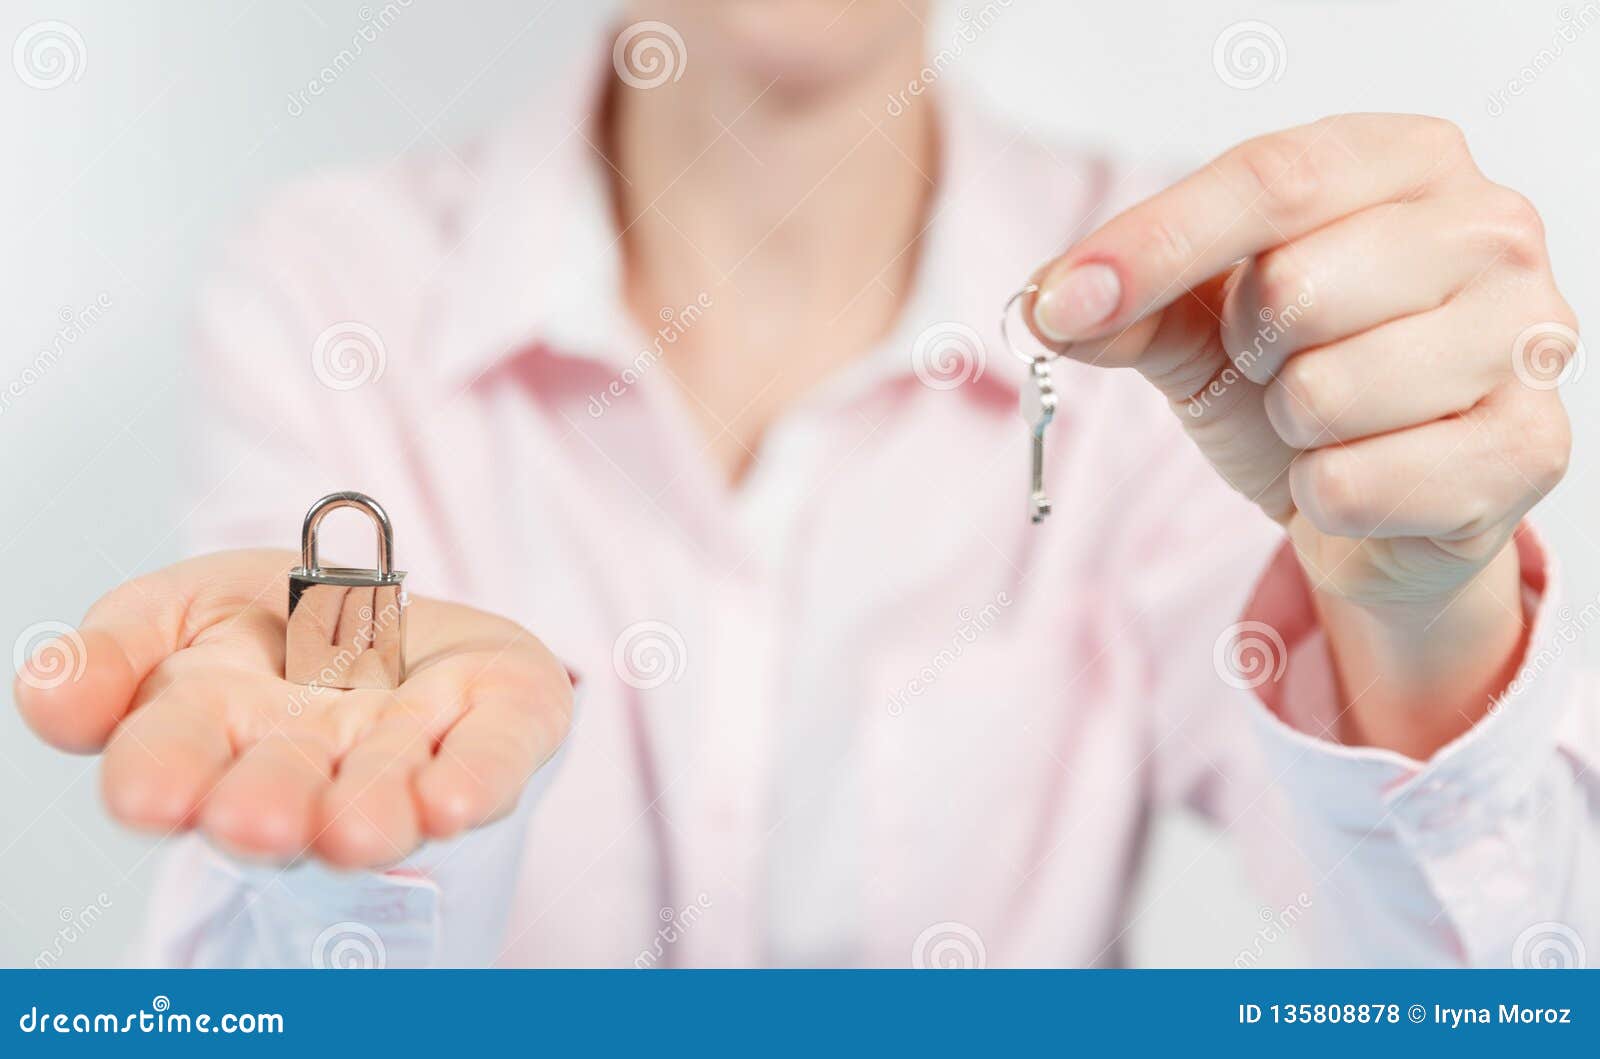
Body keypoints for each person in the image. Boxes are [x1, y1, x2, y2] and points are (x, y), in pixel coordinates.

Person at [14, 2, 1595, 968]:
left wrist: (1417, 602)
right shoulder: (328, 295)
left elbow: (1461, 1003)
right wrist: (346, 871)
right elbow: (276, 1012)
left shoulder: (1188, 332)